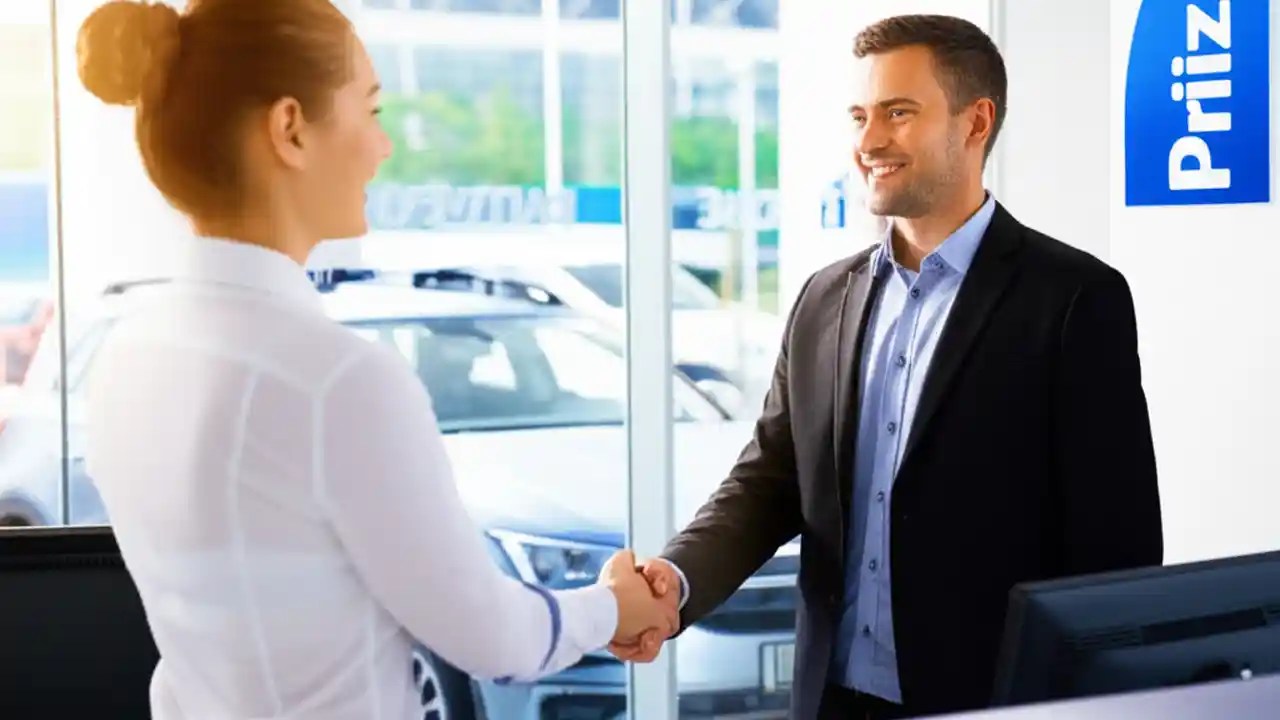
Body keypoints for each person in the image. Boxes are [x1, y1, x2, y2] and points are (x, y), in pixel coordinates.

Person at [75, 1, 673, 718]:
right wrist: (613, 607)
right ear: (290, 128)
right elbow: (495, 639)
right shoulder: (335, 381)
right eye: (372, 108)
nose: (384, 147)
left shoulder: (123, 358)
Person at [611, 14, 1163, 720]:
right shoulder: (822, 299)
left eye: (899, 114)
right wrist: (677, 580)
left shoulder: (1074, 299)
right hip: (834, 700)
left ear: (975, 123)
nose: (870, 141)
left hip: (995, 701)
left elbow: (1116, 547)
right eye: (860, 116)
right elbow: (770, 481)